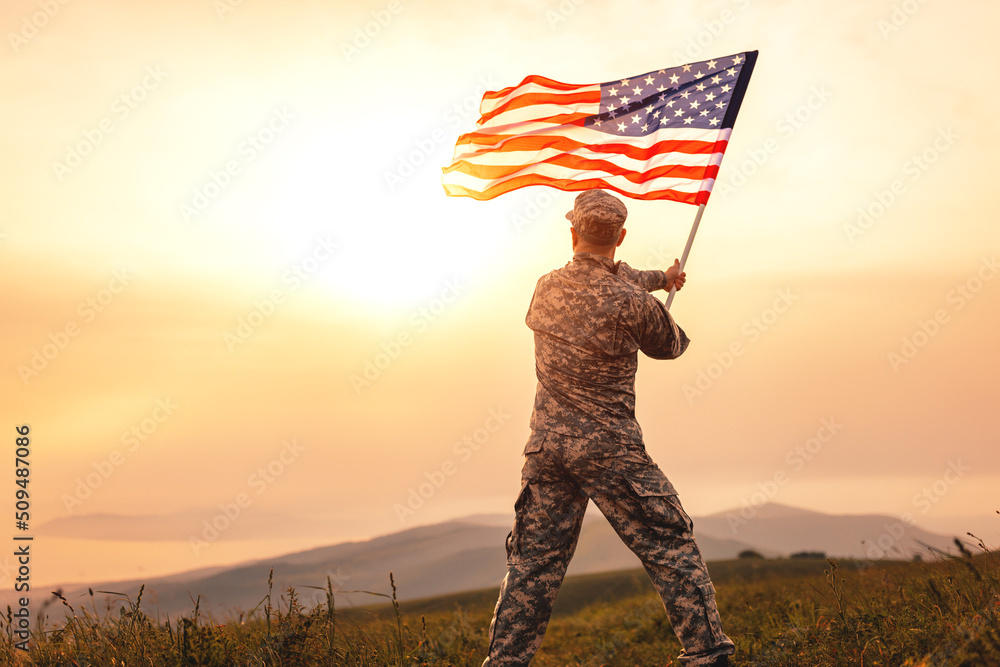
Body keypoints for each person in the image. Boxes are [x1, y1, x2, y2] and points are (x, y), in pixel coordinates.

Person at [481, 190, 736, 666]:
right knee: (669, 546)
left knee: (532, 566)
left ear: (572, 231)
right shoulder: (631, 301)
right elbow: (671, 345)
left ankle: (504, 663)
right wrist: (658, 299)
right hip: (610, 449)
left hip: (547, 449)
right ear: (621, 236)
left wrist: (663, 277)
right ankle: (707, 655)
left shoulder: (547, 286)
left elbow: (606, 275)